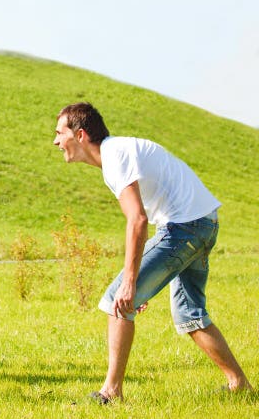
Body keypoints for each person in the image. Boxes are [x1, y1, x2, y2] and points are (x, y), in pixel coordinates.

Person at [53, 102, 253, 402]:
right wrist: (142, 283)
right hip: (203, 223)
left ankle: (111, 391)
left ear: (80, 135)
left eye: (59, 133)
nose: (56, 141)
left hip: (185, 226)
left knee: (116, 301)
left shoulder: (114, 155)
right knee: (189, 313)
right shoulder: (116, 153)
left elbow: (138, 220)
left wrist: (132, 282)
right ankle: (239, 384)